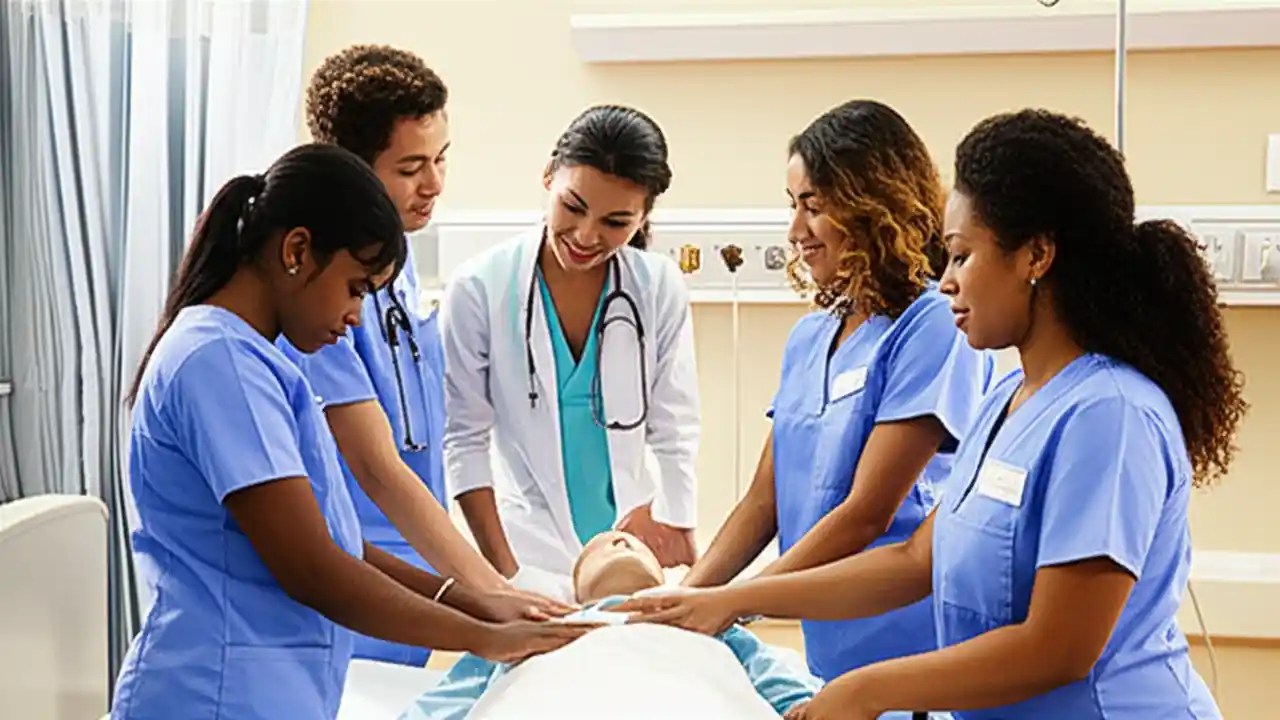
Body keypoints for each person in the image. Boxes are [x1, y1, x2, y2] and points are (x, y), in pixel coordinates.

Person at [619, 109, 1246, 720]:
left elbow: (1060, 647)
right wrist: (729, 599)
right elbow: (916, 559)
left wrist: (867, 691)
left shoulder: (1110, 415)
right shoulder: (1009, 401)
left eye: (962, 256)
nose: (945, 281)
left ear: (1036, 257)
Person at [111, 144, 597, 720]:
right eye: (355, 288)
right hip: (212, 695)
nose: (355, 316)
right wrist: (484, 637)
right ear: (296, 250)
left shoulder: (255, 361)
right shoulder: (219, 361)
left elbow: (334, 540)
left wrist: (481, 604)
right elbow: (313, 569)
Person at [680, 99, 993, 681]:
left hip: (910, 646)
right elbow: (762, 504)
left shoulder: (931, 324)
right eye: (792, 206)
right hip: (832, 652)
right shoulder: (809, 337)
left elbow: (865, 514)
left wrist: (734, 603)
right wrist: (681, 603)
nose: (795, 231)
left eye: (813, 207)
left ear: (873, 205)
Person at [279, 45, 567, 666]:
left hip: (417, 584)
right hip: (355, 592)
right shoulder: (315, 299)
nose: (435, 184)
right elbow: (376, 466)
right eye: (411, 167)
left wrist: (481, 592)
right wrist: (492, 596)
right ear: (350, 171)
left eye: (440, 159)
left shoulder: (400, 273)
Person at [440, 104, 700, 601]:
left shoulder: (656, 286)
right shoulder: (479, 288)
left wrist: (675, 523)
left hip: (630, 550)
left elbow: (675, 427)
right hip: (523, 548)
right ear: (547, 177)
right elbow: (464, 439)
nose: (586, 236)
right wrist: (506, 575)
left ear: (644, 217)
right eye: (573, 206)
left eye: (615, 221)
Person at [399, 530, 829, 720]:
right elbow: (446, 703)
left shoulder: (708, 622)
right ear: (575, 593)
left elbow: (789, 693)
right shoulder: (531, 631)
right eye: (598, 547)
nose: (618, 538)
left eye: (635, 544)